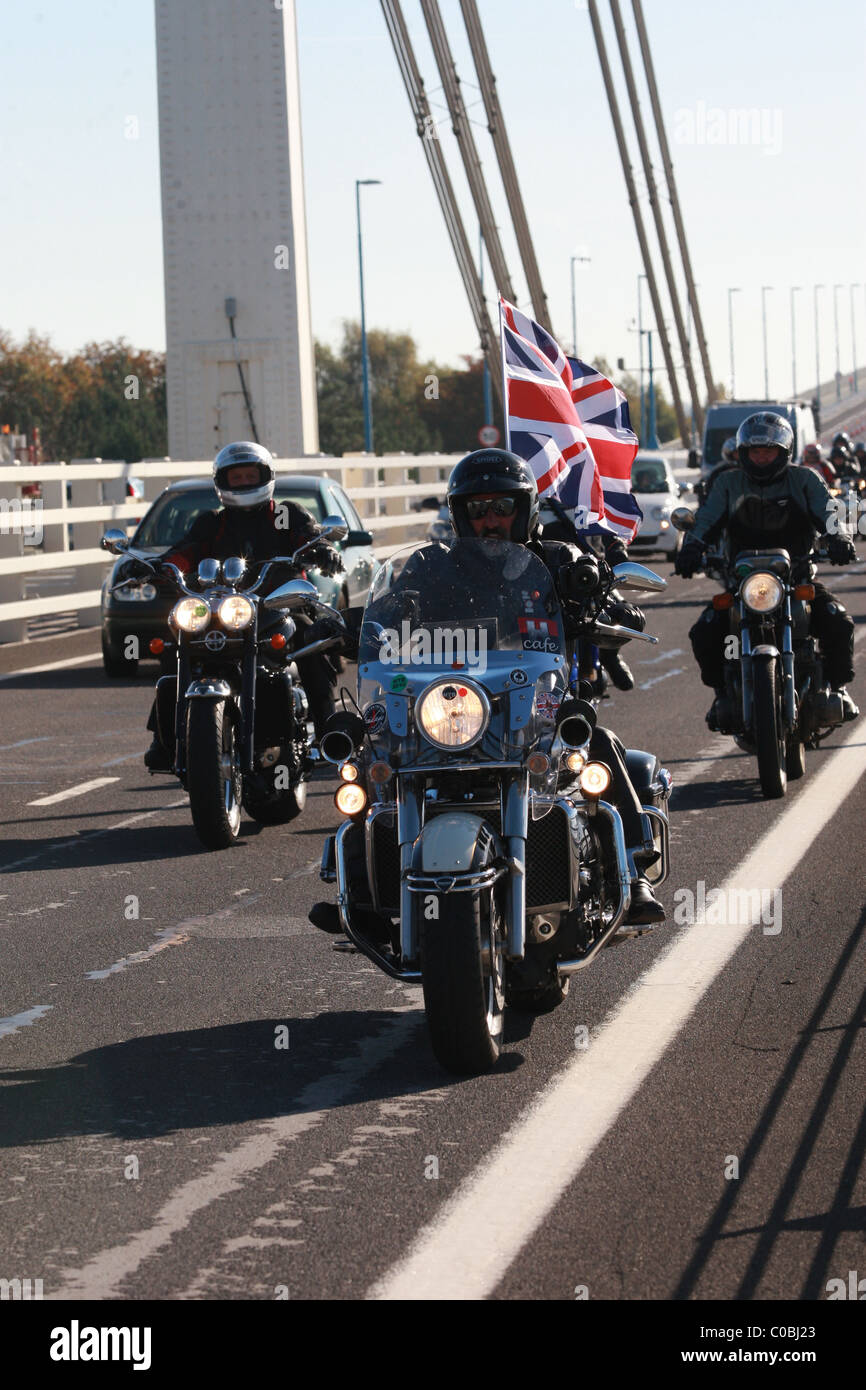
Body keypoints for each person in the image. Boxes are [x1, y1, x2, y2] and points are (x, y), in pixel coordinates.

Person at [445, 449, 666, 925]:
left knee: (597, 741)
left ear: (524, 511)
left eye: (502, 507)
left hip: (541, 701)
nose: (490, 520)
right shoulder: (442, 570)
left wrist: (608, 603)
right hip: (461, 707)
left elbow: (607, 596)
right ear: (461, 515)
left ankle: (633, 870)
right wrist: (363, 626)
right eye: (478, 509)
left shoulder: (559, 558)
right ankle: (359, 883)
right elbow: (402, 604)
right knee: (382, 761)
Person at [137, 442, 344, 768]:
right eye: (238, 477)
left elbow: (308, 535)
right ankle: (165, 740)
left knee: (308, 637)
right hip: (224, 608)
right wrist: (159, 567)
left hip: (280, 602)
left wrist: (320, 550)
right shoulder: (213, 523)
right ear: (223, 482)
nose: (246, 482)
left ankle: (328, 731)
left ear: (266, 477)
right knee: (180, 643)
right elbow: (187, 550)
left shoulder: (282, 515)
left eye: (251, 475)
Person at [675, 412, 858, 727]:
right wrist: (691, 546)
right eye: (755, 451)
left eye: (768, 451)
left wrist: (839, 538)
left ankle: (836, 689)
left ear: (783, 452)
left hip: (797, 578)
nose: (761, 458)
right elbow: (706, 519)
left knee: (838, 622)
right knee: (704, 633)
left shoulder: (805, 480)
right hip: (743, 582)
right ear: (744, 453)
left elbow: (829, 515)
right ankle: (722, 694)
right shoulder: (728, 483)